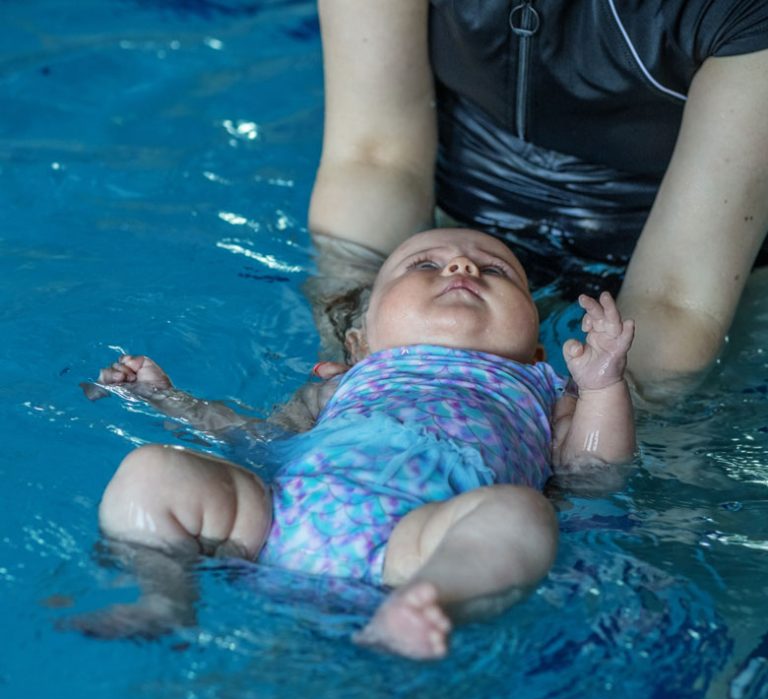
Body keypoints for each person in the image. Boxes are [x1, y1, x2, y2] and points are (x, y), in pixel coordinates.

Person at [82, 229, 635, 659]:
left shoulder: (540, 386)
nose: (463, 267)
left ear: (537, 350)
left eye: (496, 270)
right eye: (425, 266)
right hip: (272, 522)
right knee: (155, 469)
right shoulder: (345, 381)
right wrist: (166, 398)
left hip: (421, 544)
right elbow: (254, 440)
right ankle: (163, 594)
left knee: (519, 515)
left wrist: (603, 385)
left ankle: (426, 603)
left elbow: (591, 470)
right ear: (360, 341)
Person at [307, 0, 768, 401]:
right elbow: (373, 162)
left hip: (680, 260)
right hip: (460, 215)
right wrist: (357, 354)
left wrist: (568, 429)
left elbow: (678, 301)